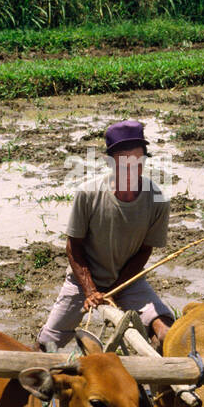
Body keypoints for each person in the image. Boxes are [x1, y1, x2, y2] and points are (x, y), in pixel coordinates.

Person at [36, 119, 175, 352]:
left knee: (166, 332)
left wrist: (118, 288)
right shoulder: (88, 194)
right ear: (111, 163)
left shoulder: (157, 199)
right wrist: (90, 291)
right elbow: (74, 247)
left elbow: (144, 250)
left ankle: (157, 383)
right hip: (82, 282)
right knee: (46, 345)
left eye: (138, 162)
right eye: (124, 164)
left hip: (129, 281)